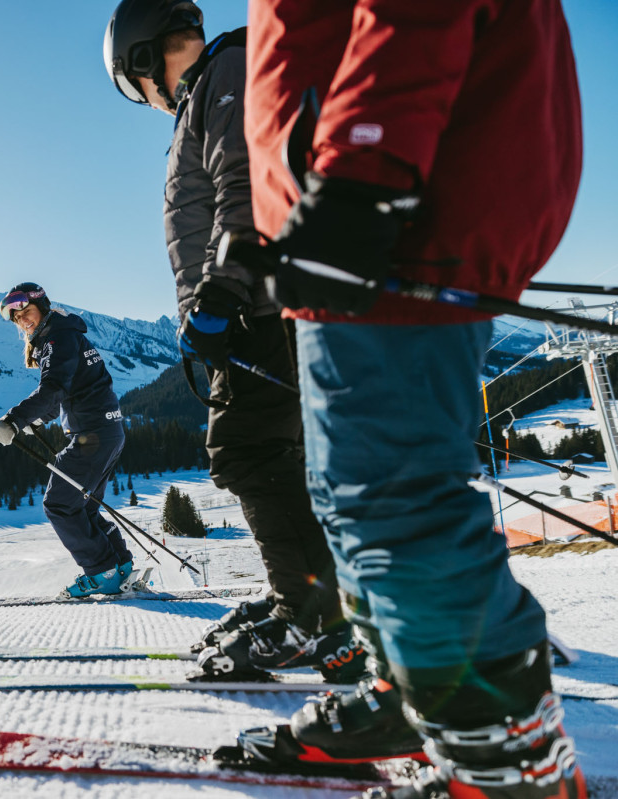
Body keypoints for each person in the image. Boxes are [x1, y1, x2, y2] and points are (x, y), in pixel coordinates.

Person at [228, 2, 587, 796]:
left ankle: (509, 762)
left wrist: (361, 174)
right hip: (362, 217)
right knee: (350, 497)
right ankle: (415, 690)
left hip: (392, 213)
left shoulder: (371, 186)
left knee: (395, 501)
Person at [103, 0, 362, 684]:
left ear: (142, 59)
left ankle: (308, 617)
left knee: (249, 447)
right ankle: (311, 601)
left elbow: (246, 175)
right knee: (287, 454)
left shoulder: (224, 70)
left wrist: (221, 287)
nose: (149, 102)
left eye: (137, 90)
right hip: (261, 297)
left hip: (255, 302)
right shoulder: (227, 73)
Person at [0, 283, 134, 597]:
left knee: (59, 505)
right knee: (84, 508)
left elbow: (53, 388)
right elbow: (66, 392)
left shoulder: (57, 337)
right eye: (17, 318)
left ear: (42, 306)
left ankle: (101, 572)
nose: (23, 320)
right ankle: (119, 565)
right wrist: (35, 419)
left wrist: (13, 421)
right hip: (107, 432)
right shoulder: (63, 334)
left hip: (92, 435)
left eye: (26, 311)